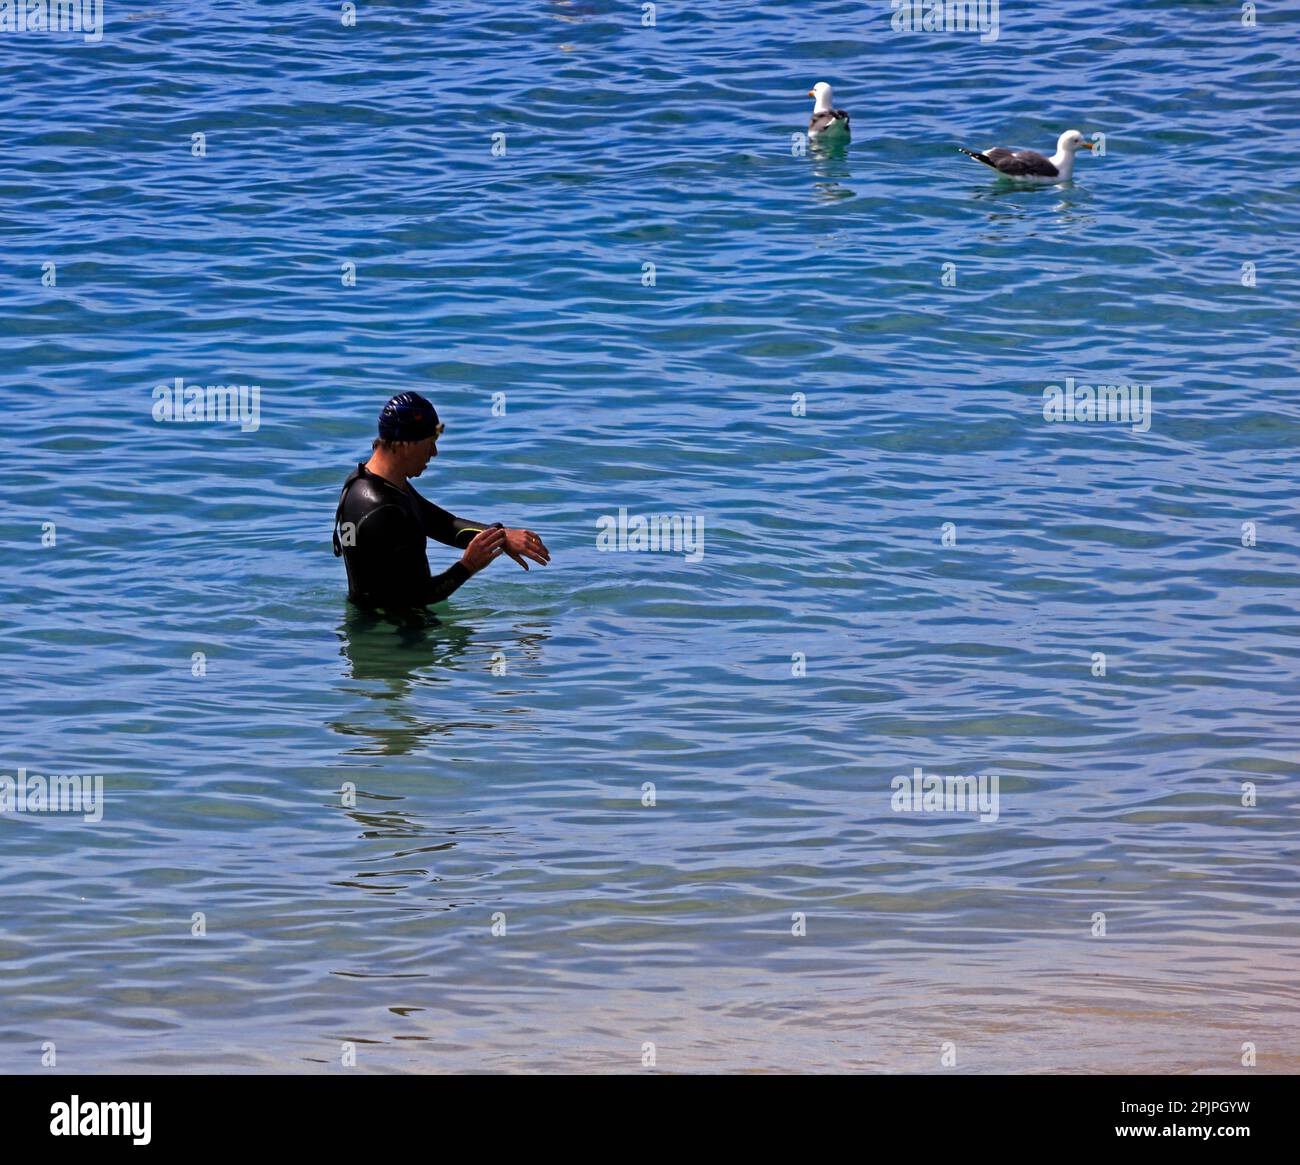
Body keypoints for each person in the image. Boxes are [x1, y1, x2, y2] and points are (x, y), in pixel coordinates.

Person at [332, 392, 550, 613]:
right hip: (389, 636)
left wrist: (501, 536)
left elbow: (442, 524)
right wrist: (468, 566)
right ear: (407, 444)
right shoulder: (379, 507)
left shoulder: (379, 483)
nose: (434, 453)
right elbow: (415, 595)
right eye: (430, 444)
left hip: (395, 628)